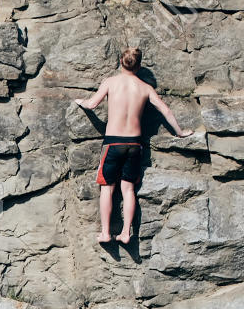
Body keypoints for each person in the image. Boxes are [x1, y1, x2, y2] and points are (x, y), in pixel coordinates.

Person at [73, 47, 194, 244]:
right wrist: (179, 132)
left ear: (120, 61)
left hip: (113, 142)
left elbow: (92, 104)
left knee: (107, 188)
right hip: (134, 144)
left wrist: (81, 101)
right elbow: (165, 110)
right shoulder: (145, 88)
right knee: (128, 189)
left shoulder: (111, 82)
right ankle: (125, 233)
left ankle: (105, 233)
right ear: (138, 66)